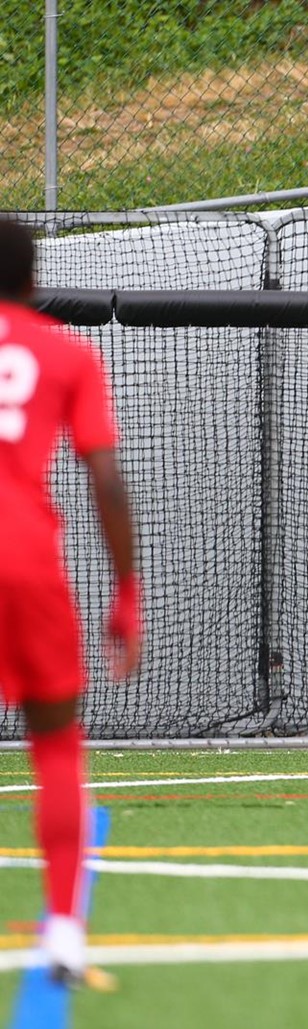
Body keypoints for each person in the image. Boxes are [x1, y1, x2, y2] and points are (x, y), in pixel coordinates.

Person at [0, 217, 141, 984]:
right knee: (55, 748)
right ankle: (62, 932)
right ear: (32, 281)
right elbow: (107, 479)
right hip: (22, 561)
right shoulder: (65, 353)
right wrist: (126, 592)